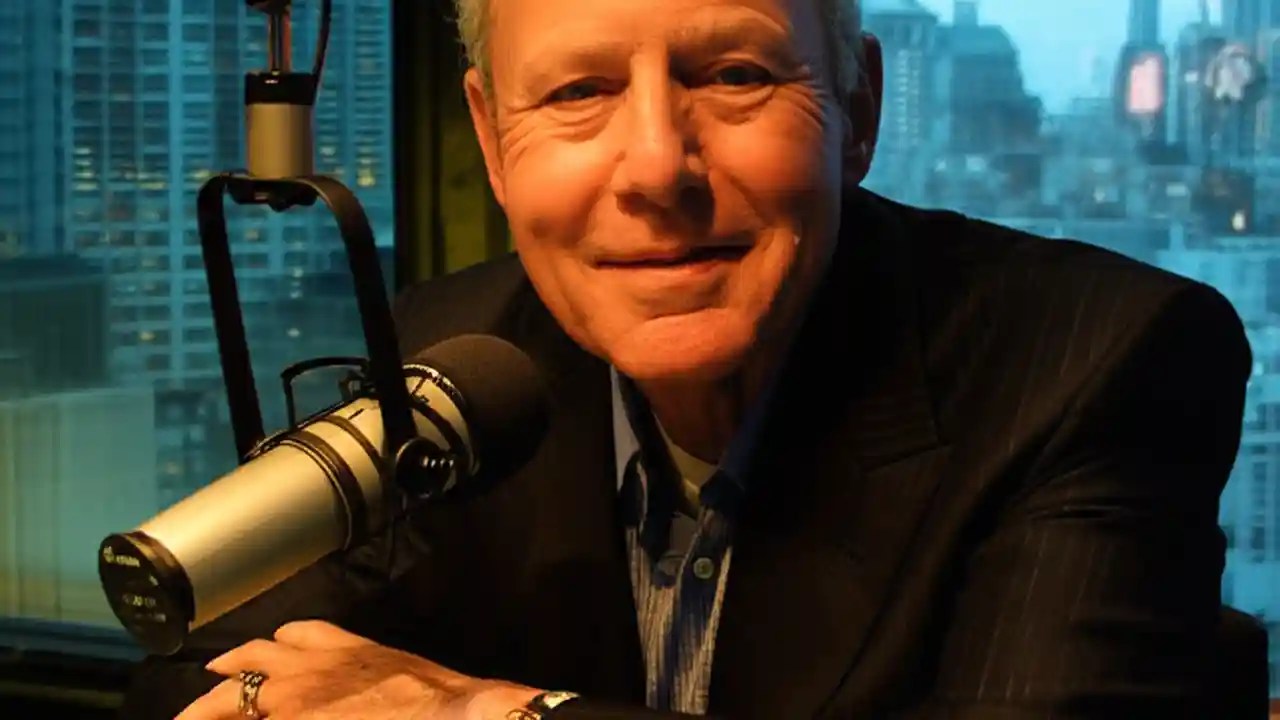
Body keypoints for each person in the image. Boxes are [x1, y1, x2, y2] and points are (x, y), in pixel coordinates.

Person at [123, 0, 1252, 718]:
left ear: (853, 108)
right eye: (578, 93)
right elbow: (201, 678)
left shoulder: (1092, 359)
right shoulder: (436, 352)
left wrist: (480, 716)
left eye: (733, 76)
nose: (656, 167)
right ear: (490, 141)